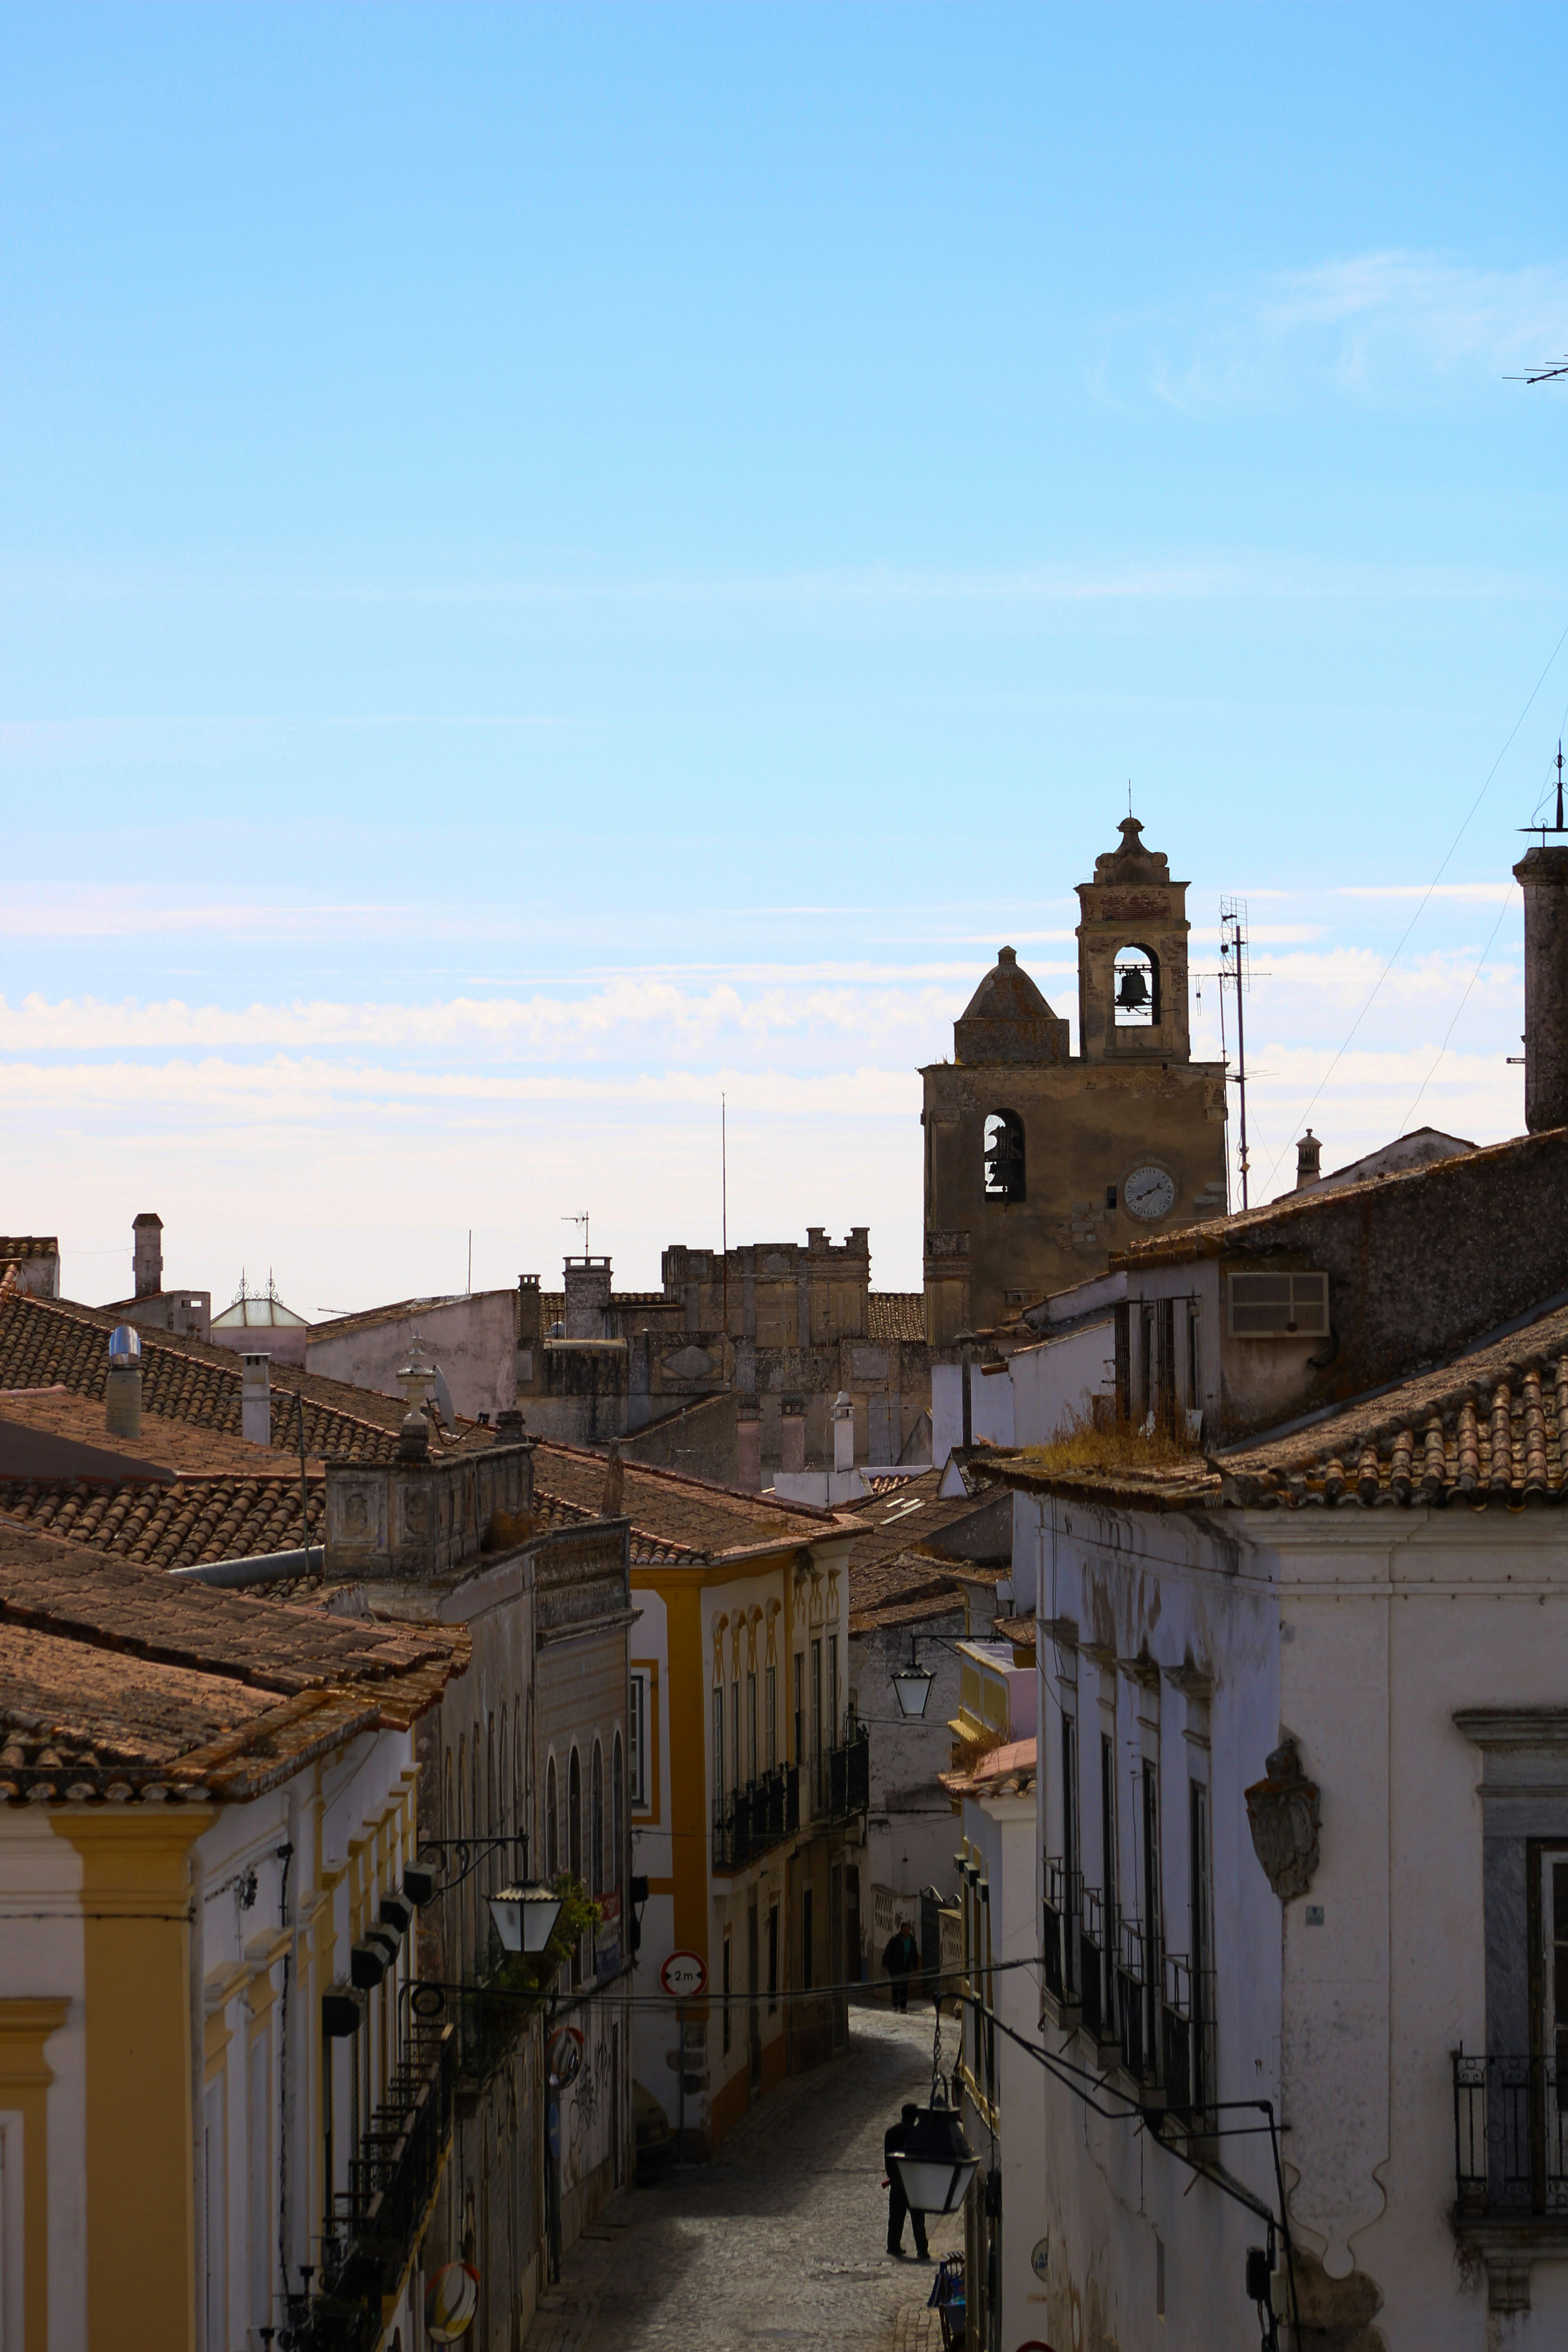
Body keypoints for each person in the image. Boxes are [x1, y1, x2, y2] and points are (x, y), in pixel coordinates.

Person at [884, 2102, 929, 2259]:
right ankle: (922, 2249)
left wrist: (892, 2176)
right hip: (914, 2181)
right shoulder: (918, 2133)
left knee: (896, 2215)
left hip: (897, 2181)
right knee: (918, 2217)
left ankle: (893, 2245)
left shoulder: (891, 2133)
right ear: (914, 2117)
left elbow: (888, 2159)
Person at [882, 1916, 920, 2012]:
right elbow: (887, 1952)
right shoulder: (895, 1939)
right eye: (904, 1930)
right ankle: (895, 2005)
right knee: (895, 1986)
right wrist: (885, 1965)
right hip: (895, 1967)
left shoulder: (911, 1941)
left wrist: (916, 1968)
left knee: (904, 1987)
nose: (906, 1932)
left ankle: (903, 2007)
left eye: (908, 1930)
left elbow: (915, 1955)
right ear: (901, 1930)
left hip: (906, 1968)